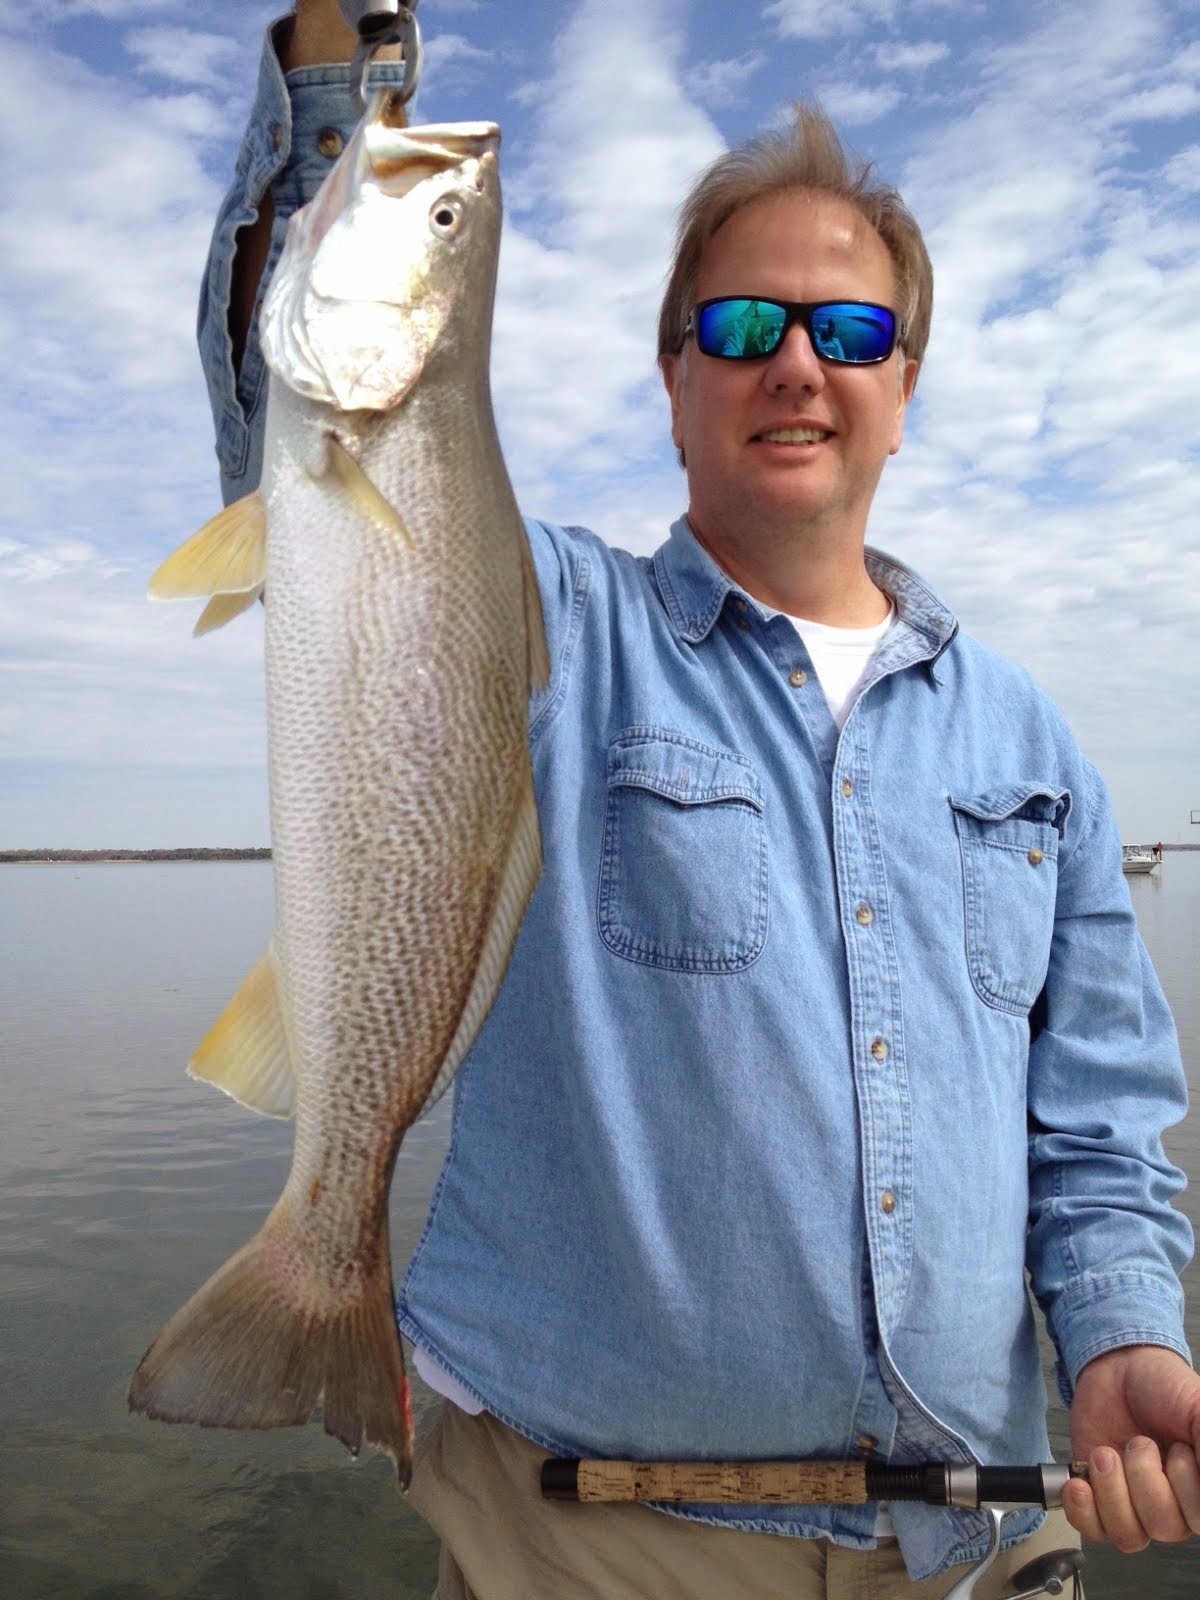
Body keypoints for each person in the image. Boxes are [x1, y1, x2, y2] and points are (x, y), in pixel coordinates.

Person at [196, 5, 1199, 1594]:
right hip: (592, 1546)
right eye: (743, 329)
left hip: (987, 1540)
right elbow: (299, 418)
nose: (798, 365)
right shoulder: (538, 626)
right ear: (674, 374)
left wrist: (1125, 1327)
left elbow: (1097, 1123)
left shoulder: (1032, 741)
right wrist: (346, 83)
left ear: (904, 383)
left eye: (849, 335)